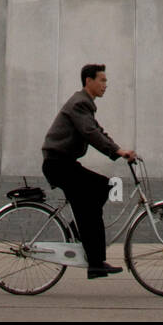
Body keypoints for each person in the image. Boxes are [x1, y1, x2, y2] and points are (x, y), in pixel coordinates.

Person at [41, 63, 136, 278]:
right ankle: (94, 260)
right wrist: (119, 151)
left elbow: (99, 131)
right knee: (95, 196)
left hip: (63, 163)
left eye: (106, 81)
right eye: (102, 80)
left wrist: (120, 150)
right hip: (58, 164)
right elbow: (91, 133)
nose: (105, 85)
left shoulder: (85, 104)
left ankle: (83, 235)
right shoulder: (79, 104)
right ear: (88, 81)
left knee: (99, 192)